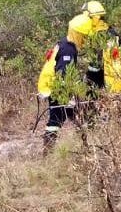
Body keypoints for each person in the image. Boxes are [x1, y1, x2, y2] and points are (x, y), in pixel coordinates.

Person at [36, 13, 94, 153]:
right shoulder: (69, 49)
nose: (86, 39)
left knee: (75, 116)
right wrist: (71, 95)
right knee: (56, 119)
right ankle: (48, 152)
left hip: (53, 85)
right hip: (56, 88)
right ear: (79, 34)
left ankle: (85, 147)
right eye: (84, 36)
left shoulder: (63, 43)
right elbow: (63, 74)